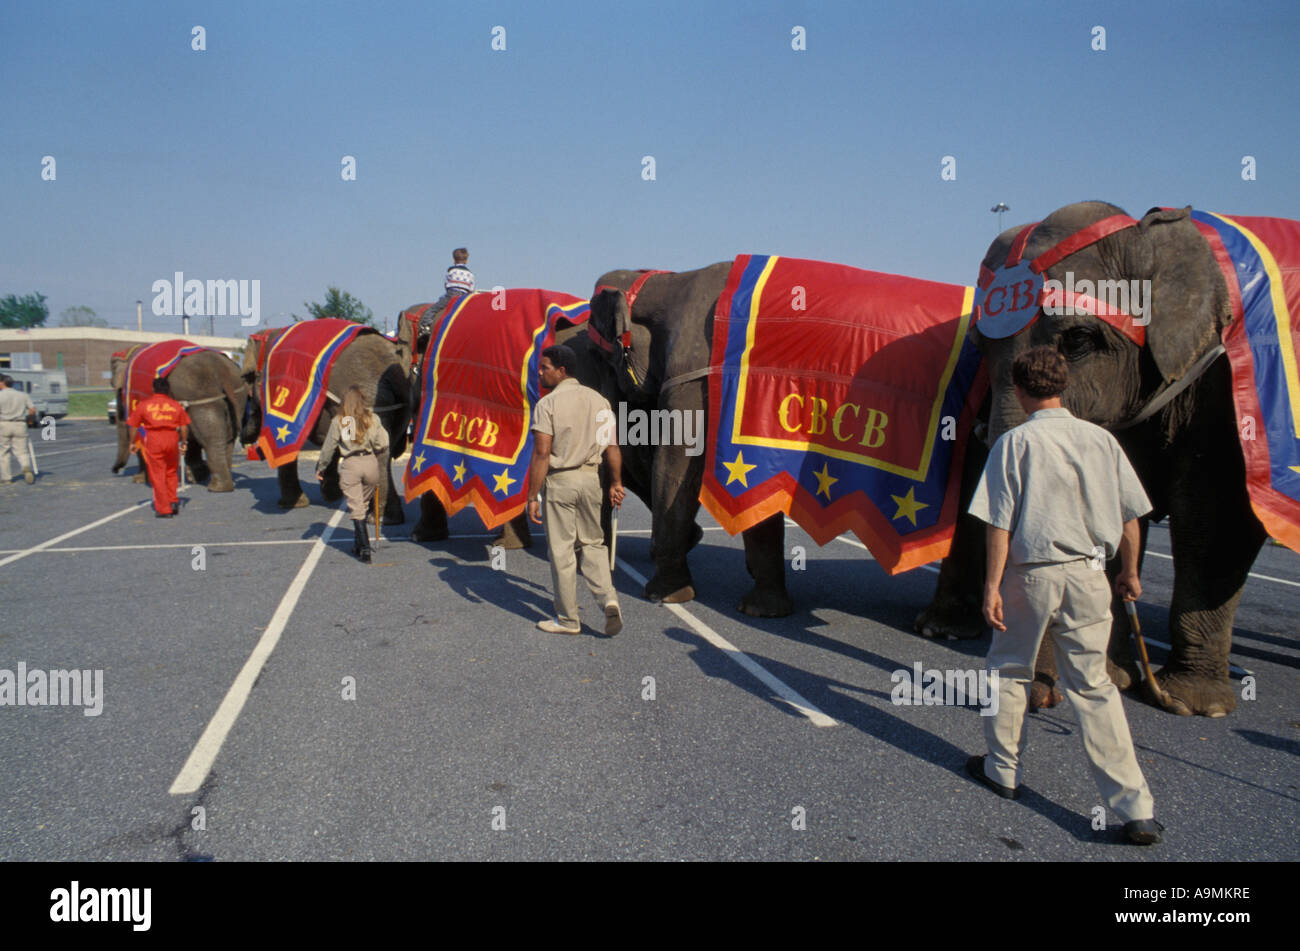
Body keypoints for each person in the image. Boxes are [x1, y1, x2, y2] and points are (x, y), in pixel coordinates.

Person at [965, 345, 1162, 845]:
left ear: (1021, 388)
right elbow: (1130, 516)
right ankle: (1134, 807)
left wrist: (991, 586)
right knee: (1093, 687)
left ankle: (1003, 770)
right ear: (1063, 384)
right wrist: (1130, 573)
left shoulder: (1014, 443)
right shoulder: (1101, 441)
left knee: (1010, 669)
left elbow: (998, 524)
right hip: (1092, 573)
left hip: (1032, 573)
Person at [527, 345, 625, 635]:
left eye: (544, 367)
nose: (540, 372)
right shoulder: (600, 401)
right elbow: (612, 447)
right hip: (591, 481)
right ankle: (608, 598)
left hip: (560, 482)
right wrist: (616, 483)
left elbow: (542, 454)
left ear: (562, 371)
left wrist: (533, 495)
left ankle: (568, 620)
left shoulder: (547, 405)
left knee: (562, 552)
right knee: (594, 544)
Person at [317, 386, 390, 564]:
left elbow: (329, 448)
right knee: (363, 505)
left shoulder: (339, 421)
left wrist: (322, 467)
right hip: (371, 463)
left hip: (351, 464)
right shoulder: (373, 418)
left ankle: (365, 549)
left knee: (356, 508)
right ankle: (358, 544)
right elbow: (384, 442)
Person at [126, 377, 191, 517]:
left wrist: (132, 442)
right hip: (172, 438)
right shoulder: (175, 405)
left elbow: (133, 425)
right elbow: (184, 426)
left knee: (157, 474)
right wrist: (183, 441)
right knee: (171, 471)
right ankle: (173, 500)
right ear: (168, 390)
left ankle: (164, 508)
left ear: (153, 389)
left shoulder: (144, 405)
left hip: (154, 439)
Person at [418, 247, 476, 339]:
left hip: (451, 295)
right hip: (463, 298)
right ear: (466, 261)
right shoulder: (471, 274)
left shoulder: (451, 271)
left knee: (433, 309)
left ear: (454, 260)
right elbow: (471, 290)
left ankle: (425, 327)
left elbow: (446, 284)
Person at [0, 374, 38, 484]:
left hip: (4, 425)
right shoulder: (23, 395)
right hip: (20, 424)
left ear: (2, 383)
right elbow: (32, 409)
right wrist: (30, 420)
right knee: (22, 450)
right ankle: (26, 467)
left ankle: (6, 477)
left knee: (3, 451)